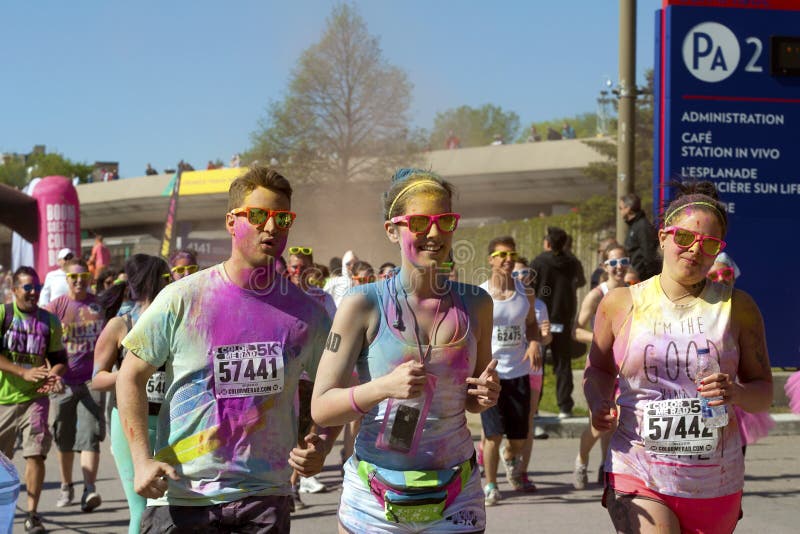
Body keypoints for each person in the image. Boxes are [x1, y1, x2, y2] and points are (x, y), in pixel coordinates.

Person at [116, 166, 337, 532]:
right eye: (258, 216)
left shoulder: (308, 314)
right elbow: (129, 376)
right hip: (183, 496)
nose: (271, 227)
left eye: (282, 217)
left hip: (264, 498)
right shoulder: (183, 298)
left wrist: (320, 444)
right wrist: (141, 460)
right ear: (232, 222)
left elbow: (335, 386)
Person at [311, 168, 500, 533]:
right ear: (391, 230)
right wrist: (383, 387)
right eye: (418, 222)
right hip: (373, 497)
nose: (434, 233)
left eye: (444, 220)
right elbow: (321, 406)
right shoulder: (362, 304)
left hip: (456, 493)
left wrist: (485, 394)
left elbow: (473, 398)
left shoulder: (476, 304)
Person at [584, 182, 773, 533]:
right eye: (684, 238)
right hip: (637, 469)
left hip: (715, 481)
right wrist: (597, 401)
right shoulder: (620, 303)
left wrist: (737, 393)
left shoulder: (739, 308)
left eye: (709, 244)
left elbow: (763, 394)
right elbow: (597, 368)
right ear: (662, 238)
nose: (694, 251)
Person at [91, 254, 171, 534]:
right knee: (142, 508)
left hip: (170, 422)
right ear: (152, 281)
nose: (171, 280)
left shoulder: (172, 321)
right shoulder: (120, 325)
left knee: (173, 506)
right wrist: (129, 376)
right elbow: (97, 379)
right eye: (165, 276)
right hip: (128, 425)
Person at [0, 266, 67, 534]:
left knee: (35, 453)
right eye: (27, 287)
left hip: (35, 398)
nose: (33, 292)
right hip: (4, 398)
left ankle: (32, 514)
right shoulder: (4, 314)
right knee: (2, 459)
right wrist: (23, 372)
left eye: (36, 287)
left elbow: (60, 360)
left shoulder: (49, 321)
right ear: (14, 289)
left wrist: (53, 375)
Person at [479, 237, 542, 502]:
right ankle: (491, 485)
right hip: (492, 374)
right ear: (491, 259)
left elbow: (531, 325)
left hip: (518, 373)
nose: (507, 259)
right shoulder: (480, 295)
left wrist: (535, 342)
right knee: (492, 435)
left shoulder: (525, 292)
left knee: (518, 438)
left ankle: (509, 456)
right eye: (501, 255)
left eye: (511, 254)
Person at [45, 259, 106, 512]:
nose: (79, 281)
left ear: (90, 279)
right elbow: (43, 343)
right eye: (74, 277)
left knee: (90, 436)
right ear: (66, 279)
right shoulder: (56, 307)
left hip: (92, 380)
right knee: (64, 437)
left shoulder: (99, 305)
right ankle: (67, 485)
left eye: (83, 277)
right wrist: (52, 374)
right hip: (63, 384)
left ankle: (89, 489)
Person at [572, 245, 629, 489]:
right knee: (598, 425)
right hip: (600, 365)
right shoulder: (597, 294)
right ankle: (582, 459)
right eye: (613, 263)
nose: (619, 267)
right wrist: (601, 339)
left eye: (623, 261)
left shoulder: (634, 292)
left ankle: (607, 467)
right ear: (604, 267)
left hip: (624, 366)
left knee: (614, 421)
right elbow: (576, 330)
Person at [285, 245, 335, 501]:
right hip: (284, 375)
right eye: (294, 266)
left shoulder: (323, 298)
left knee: (303, 434)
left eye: (304, 267)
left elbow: (335, 335)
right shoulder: (279, 294)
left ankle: (292, 485)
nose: (298, 271)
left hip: (311, 375)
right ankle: (286, 485)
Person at [530, 226, 585, 418]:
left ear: (547, 243)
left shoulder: (538, 262)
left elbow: (530, 285)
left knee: (537, 363)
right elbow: (581, 282)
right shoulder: (572, 262)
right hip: (564, 317)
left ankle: (534, 407)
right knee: (563, 363)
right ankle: (565, 407)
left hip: (541, 318)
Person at [619, 193, 661, 281]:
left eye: (621, 208)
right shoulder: (634, 226)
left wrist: (649, 279)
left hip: (642, 279)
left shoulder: (643, 227)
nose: (620, 211)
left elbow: (649, 254)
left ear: (628, 208)